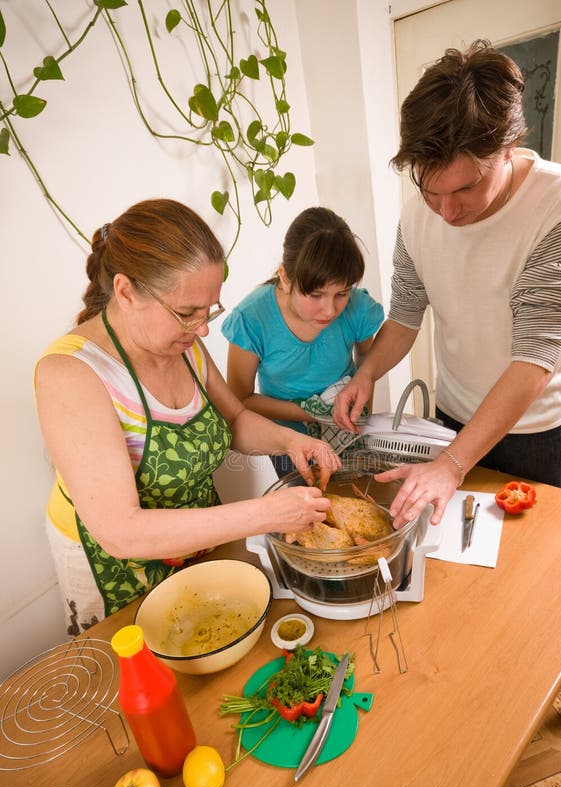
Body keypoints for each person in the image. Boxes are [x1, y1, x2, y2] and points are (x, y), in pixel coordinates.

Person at [34, 199, 341, 634]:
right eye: (187, 313)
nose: (203, 330)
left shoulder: (183, 344)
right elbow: (121, 531)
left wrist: (291, 442)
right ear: (125, 292)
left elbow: (234, 419)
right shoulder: (71, 374)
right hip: (113, 570)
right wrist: (264, 514)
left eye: (210, 310)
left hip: (199, 542)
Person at [334, 39, 561, 528]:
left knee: (529, 573)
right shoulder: (417, 217)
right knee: (457, 562)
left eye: (466, 189)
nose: (448, 212)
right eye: (431, 191)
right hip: (451, 416)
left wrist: (454, 464)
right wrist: (367, 372)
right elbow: (407, 314)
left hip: (534, 429)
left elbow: (535, 357)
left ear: (508, 148)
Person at [221, 207, 384, 478]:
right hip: (287, 443)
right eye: (316, 295)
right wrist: (313, 413)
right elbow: (239, 400)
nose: (330, 310)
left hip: (347, 431)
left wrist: (359, 413)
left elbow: (368, 363)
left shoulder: (357, 308)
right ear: (285, 278)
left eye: (341, 293)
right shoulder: (251, 320)